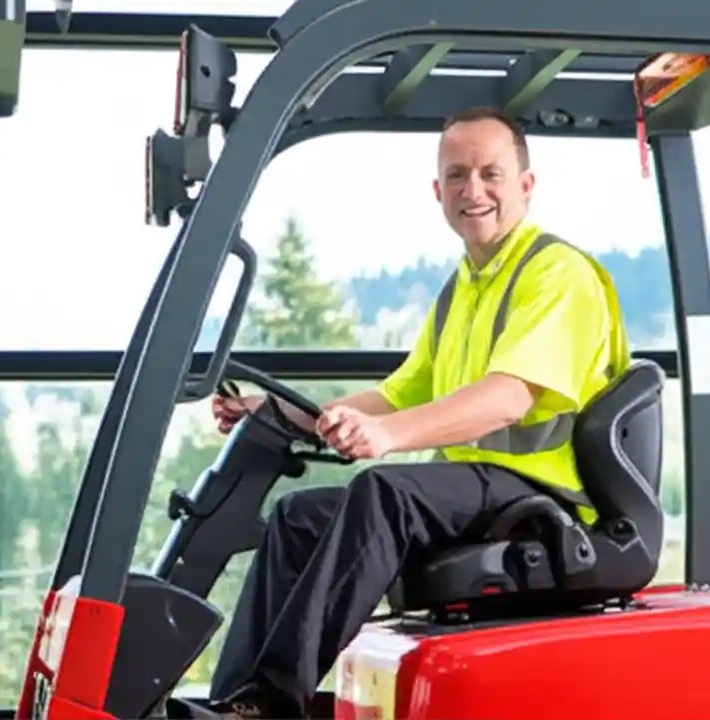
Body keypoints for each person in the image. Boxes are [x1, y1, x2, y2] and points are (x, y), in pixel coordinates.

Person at [205, 106, 628, 719]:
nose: (473, 190)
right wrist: (280, 412)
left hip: (544, 497)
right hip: (477, 489)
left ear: (526, 185)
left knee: (384, 493)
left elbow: (511, 396)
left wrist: (386, 437)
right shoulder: (466, 286)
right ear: (438, 191)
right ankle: (235, 701)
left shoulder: (557, 274)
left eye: (491, 173)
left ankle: (274, 703)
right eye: (457, 176)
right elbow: (398, 393)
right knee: (298, 517)